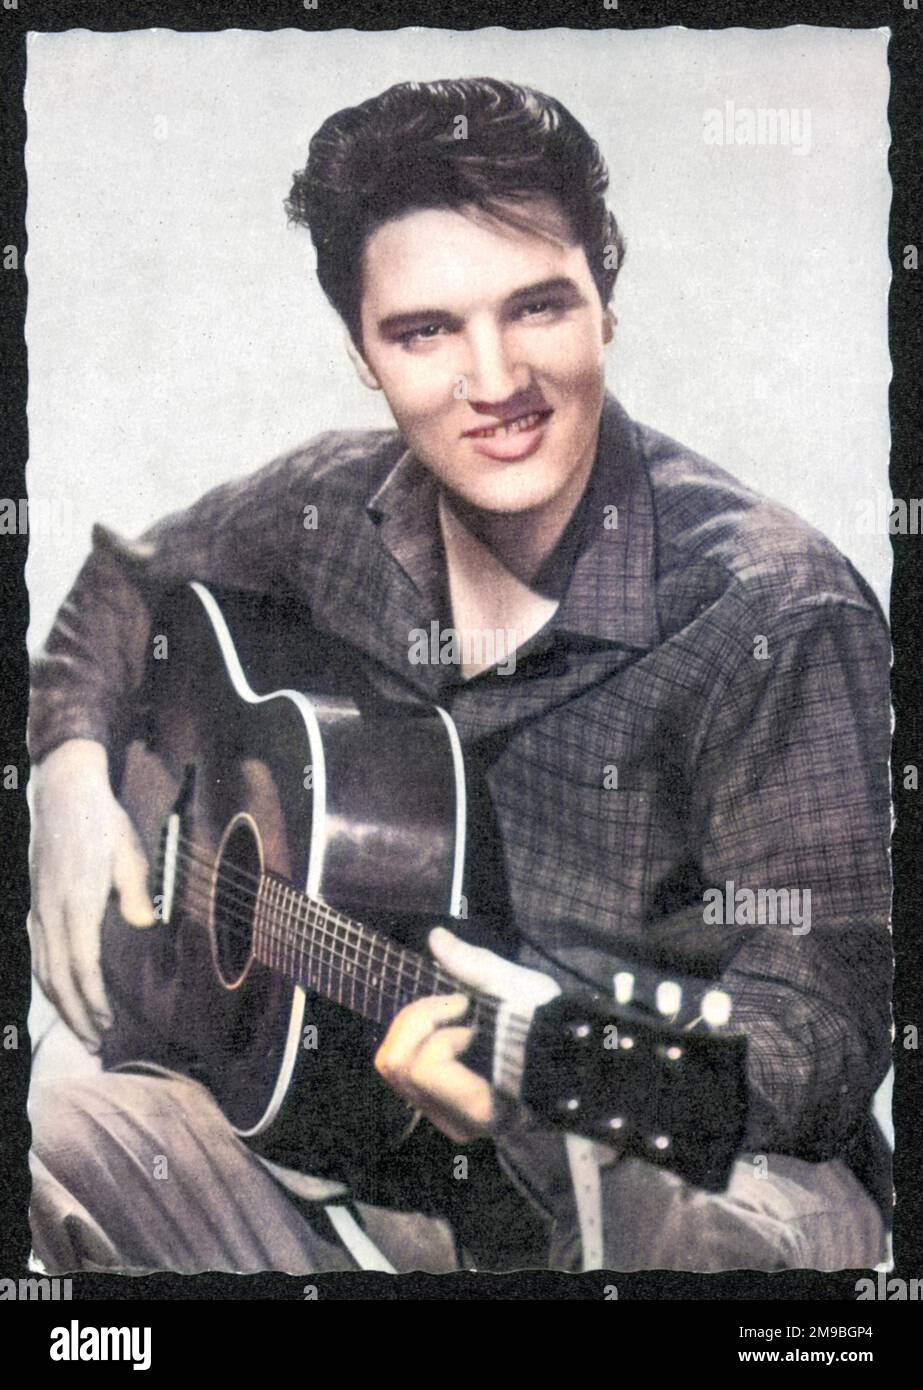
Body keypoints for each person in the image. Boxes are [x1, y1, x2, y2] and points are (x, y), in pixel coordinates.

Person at [27, 77, 892, 1275]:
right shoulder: (333, 508)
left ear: (606, 302)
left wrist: (547, 1089)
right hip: (356, 1172)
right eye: (423, 330)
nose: (493, 381)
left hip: (661, 1178)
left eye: (536, 307)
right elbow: (126, 585)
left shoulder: (772, 608)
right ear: (361, 354)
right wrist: (67, 777)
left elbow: (823, 1033)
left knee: (720, 1237)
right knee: (52, 1127)